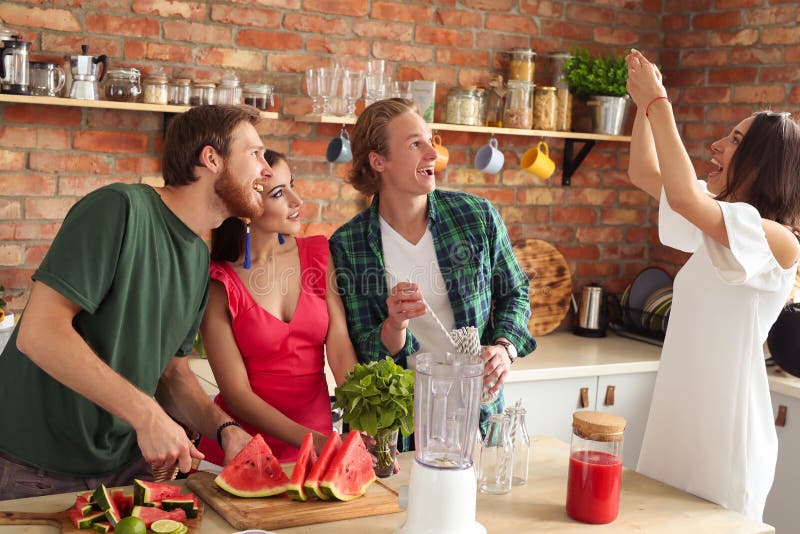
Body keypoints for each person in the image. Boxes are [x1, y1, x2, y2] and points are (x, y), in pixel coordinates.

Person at [0, 105, 270, 501]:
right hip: (36, 471)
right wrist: (147, 415)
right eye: (255, 153)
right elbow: (38, 333)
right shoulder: (120, 208)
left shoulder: (198, 257)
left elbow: (172, 376)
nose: (266, 169)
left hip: (124, 471)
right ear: (211, 158)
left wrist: (225, 430)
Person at [625, 49, 800, 520]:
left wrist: (658, 101)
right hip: (679, 427)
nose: (717, 146)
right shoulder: (720, 221)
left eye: (735, 140)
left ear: (763, 163)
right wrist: (643, 104)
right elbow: (644, 172)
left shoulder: (776, 240)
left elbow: (683, 196)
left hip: (726, 443)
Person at [329, 98, 536, 438]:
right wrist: (394, 325)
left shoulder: (476, 217)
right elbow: (362, 354)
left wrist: (504, 348)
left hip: (477, 417)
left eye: (430, 140)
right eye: (415, 144)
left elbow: (515, 292)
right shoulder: (348, 245)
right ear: (378, 161)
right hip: (398, 428)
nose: (432, 153)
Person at [196, 149, 357, 464]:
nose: (297, 201)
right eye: (279, 194)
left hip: (319, 448)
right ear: (247, 207)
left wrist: (367, 417)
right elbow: (237, 396)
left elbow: (340, 349)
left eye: (291, 185)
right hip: (241, 452)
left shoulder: (318, 254)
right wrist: (313, 441)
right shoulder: (219, 282)